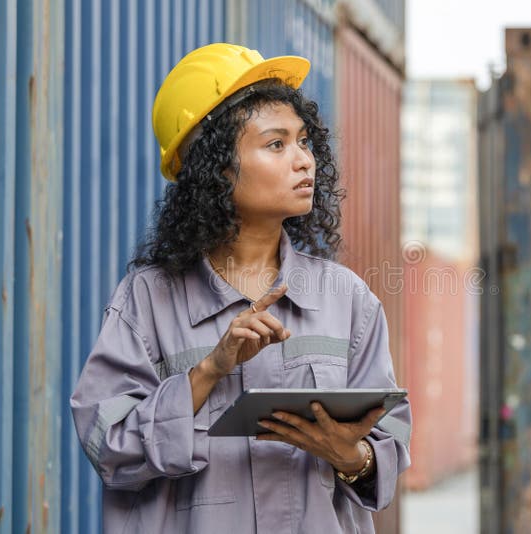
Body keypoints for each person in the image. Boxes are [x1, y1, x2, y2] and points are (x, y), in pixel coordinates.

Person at [70, 43, 411, 533]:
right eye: (276, 144)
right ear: (215, 169)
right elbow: (107, 447)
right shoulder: (145, 302)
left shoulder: (348, 299)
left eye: (303, 142)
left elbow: (391, 443)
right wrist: (209, 370)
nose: (304, 162)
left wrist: (353, 457)